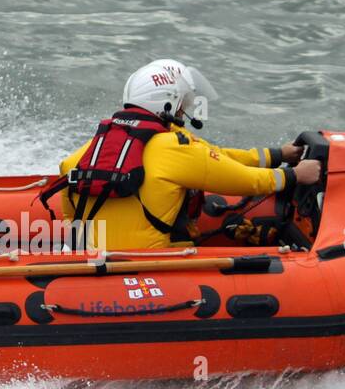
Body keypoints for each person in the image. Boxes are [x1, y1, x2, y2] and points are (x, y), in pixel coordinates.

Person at [45, 60, 321, 251]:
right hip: (152, 267)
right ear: (166, 103)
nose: (184, 112)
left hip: (93, 265)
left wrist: (277, 155)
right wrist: (294, 174)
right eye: (182, 105)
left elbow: (216, 157)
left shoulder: (86, 152)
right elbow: (244, 181)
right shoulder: (174, 149)